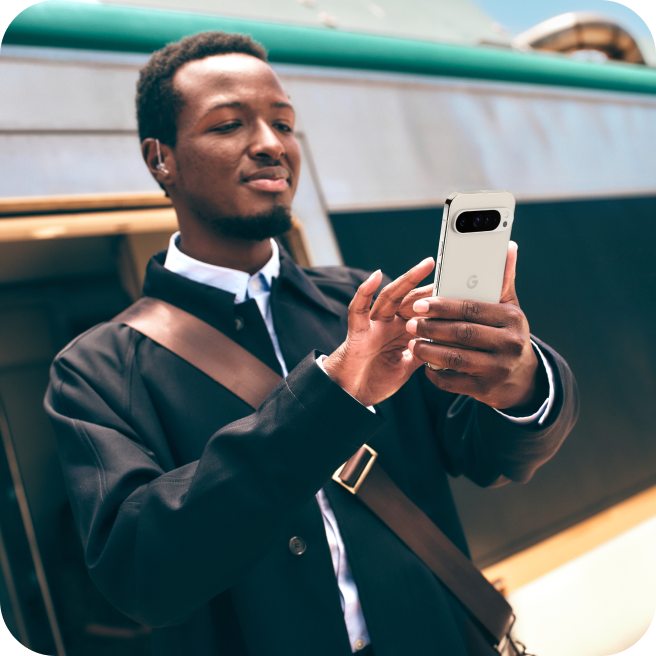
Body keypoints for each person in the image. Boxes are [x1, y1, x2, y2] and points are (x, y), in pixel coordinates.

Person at [44, 32, 578, 656]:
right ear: (161, 159)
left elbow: (490, 457)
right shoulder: (95, 369)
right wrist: (329, 393)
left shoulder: (364, 300)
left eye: (285, 123)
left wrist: (521, 383)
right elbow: (142, 573)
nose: (271, 144)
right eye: (228, 125)